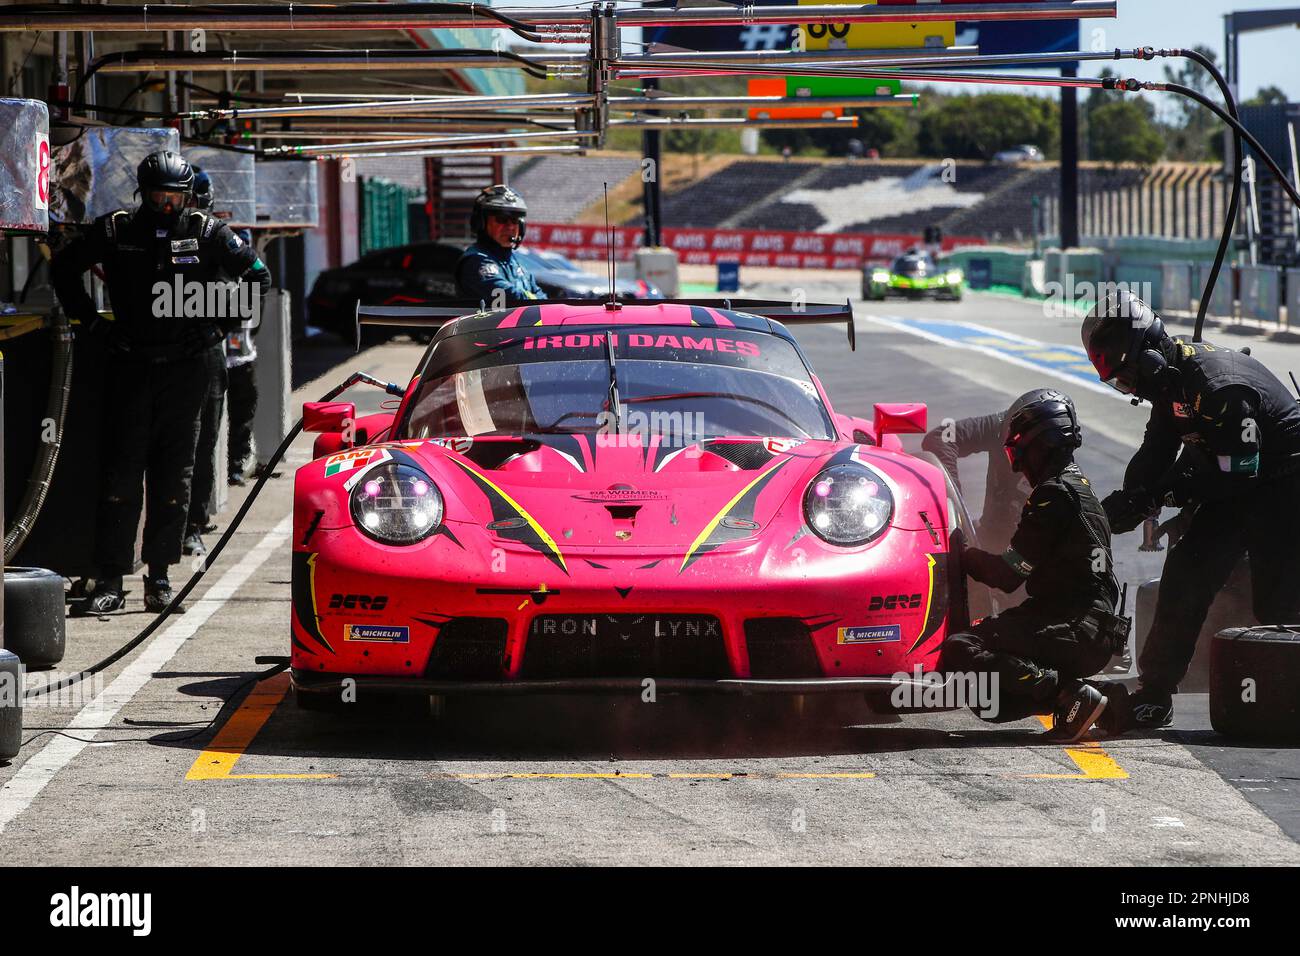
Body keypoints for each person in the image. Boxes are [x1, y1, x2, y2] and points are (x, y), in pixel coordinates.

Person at [52, 150, 271, 614]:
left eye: (174, 197)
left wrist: (218, 326)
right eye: (157, 196)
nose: (166, 205)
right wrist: (90, 323)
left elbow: (258, 276)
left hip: (187, 369)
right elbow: (62, 268)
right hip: (130, 364)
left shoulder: (208, 232)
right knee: (122, 471)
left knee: (176, 473)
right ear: (142, 193)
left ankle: (160, 576)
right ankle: (111, 577)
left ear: (187, 195)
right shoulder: (116, 229)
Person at [1081, 291, 1300, 733]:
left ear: (1146, 356)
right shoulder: (1170, 383)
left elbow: (1237, 473)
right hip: (1237, 483)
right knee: (1185, 573)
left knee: (1278, 602)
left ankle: (1288, 694)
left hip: (1284, 482)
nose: (1130, 388)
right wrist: (1130, 498)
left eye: (1125, 377)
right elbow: (1156, 451)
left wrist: (1164, 495)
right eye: (1119, 383)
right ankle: (1155, 694)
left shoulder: (1220, 387)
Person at [939, 389, 1125, 744]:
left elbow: (1006, 576)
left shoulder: (1053, 495)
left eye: (1019, 452)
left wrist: (959, 550)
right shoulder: (1078, 486)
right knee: (990, 702)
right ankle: (1096, 695)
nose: (1017, 464)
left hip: (1073, 627)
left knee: (961, 647)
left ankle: (1068, 695)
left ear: (1040, 446)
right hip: (1088, 627)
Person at [183, 168, 261, 556]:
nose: (179, 208)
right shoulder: (157, 237)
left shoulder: (221, 237)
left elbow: (256, 278)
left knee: (229, 417)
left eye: (187, 199)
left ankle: (233, 464)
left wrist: (223, 322)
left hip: (224, 346)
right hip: (171, 351)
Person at [454, 185, 546, 307]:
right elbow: (509, 298)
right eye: (502, 219)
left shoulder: (515, 262)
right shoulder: (476, 261)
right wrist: (535, 300)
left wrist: (538, 301)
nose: (510, 227)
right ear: (482, 223)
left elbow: (542, 298)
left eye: (515, 221)